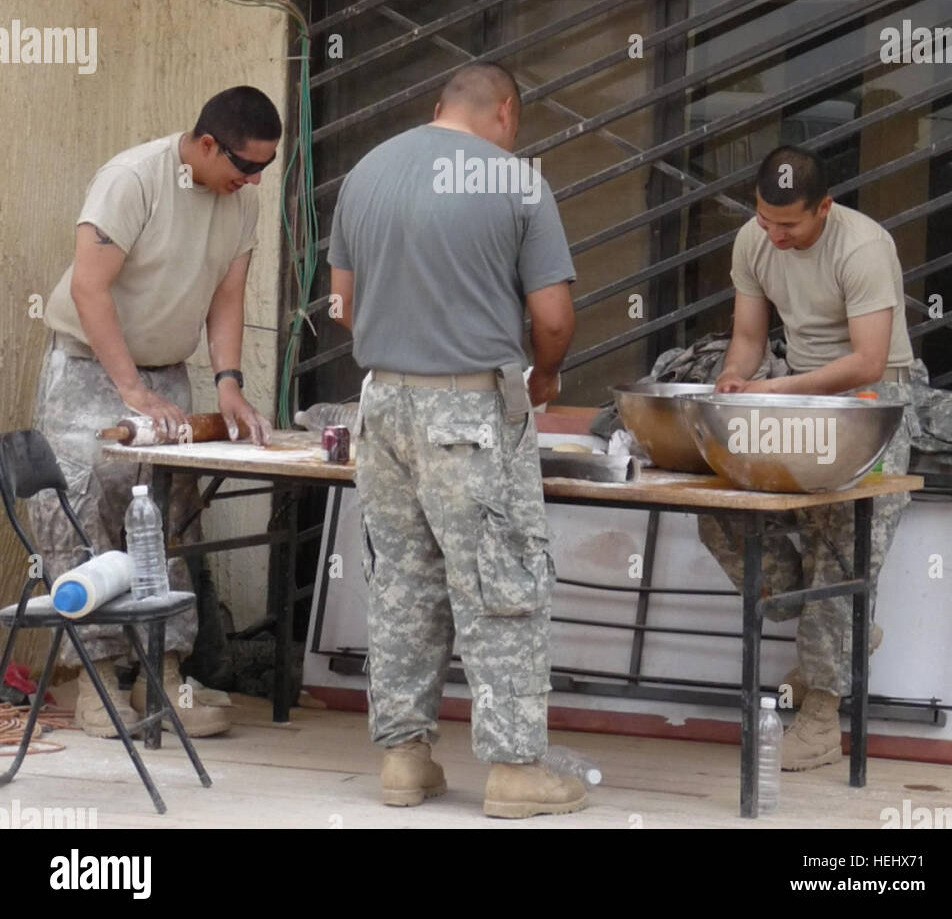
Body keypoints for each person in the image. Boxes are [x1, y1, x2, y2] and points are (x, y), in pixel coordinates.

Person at [329, 62, 583, 818]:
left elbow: (341, 306)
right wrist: (544, 375)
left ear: (436, 106)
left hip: (381, 408)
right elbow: (555, 318)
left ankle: (404, 763)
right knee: (499, 584)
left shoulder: (365, 172)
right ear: (503, 110)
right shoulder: (515, 183)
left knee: (403, 584)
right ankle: (513, 772)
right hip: (468, 411)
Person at [30, 86, 279, 738]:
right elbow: (90, 286)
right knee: (81, 517)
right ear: (205, 145)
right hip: (88, 366)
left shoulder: (240, 201)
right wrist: (129, 388)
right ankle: (96, 682)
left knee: (167, 518)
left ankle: (165, 678)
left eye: (264, 169)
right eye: (245, 166)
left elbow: (228, 296)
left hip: (166, 370)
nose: (252, 180)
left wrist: (228, 381)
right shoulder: (131, 179)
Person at [698, 144, 920, 770]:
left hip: (874, 404)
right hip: (794, 393)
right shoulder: (753, 239)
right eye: (765, 218)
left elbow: (868, 361)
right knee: (719, 514)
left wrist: (773, 390)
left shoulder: (863, 246)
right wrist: (736, 384)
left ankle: (822, 717)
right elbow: (747, 339)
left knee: (844, 542)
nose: (775, 234)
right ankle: (838, 625)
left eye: (790, 224)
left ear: (824, 207)